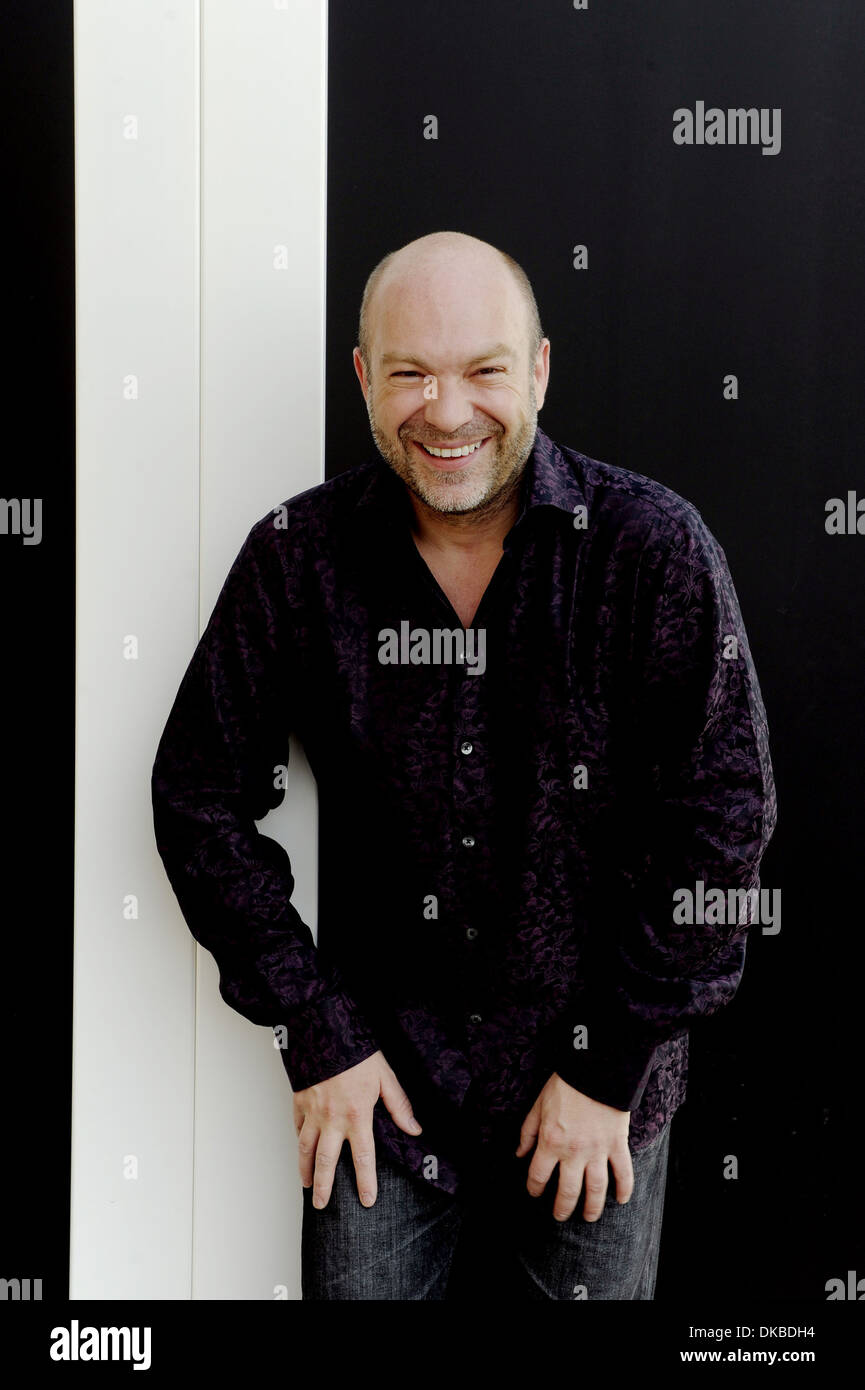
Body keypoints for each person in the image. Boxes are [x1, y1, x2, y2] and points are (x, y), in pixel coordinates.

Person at [151, 230, 777, 1300]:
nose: (446, 410)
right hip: (382, 1098)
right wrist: (316, 1027)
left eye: (484, 369)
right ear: (364, 377)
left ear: (537, 368)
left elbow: (722, 826)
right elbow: (198, 795)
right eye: (410, 372)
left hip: (598, 1095)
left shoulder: (651, 549)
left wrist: (607, 1063)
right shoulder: (295, 560)